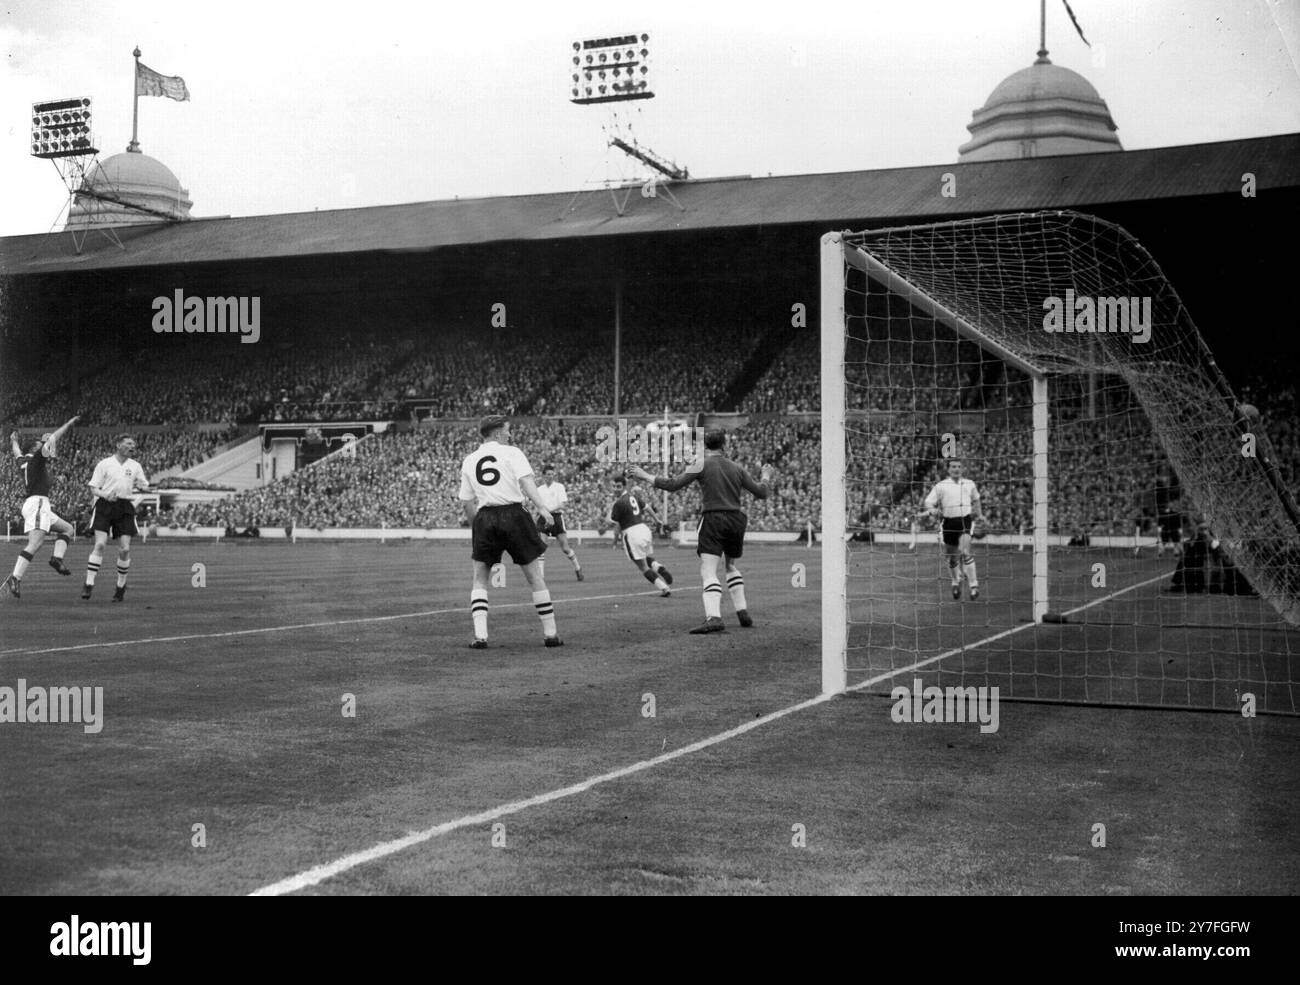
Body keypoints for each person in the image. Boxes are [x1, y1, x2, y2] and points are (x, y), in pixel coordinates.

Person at [628, 428, 772, 633]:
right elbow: (762, 492)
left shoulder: (701, 464)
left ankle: (714, 618)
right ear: (725, 445)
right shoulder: (737, 468)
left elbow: (673, 484)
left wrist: (645, 476)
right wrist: (765, 475)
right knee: (730, 565)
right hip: (736, 519)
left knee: (708, 569)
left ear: (705, 446)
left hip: (713, 518)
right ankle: (742, 612)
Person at [458, 415, 563, 648]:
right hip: (514, 514)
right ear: (496, 433)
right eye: (507, 430)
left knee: (480, 578)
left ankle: (480, 636)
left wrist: (478, 526)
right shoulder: (513, 452)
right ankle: (550, 634)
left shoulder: (469, 460)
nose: (510, 434)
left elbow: (466, 502)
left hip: (485, 516)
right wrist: (543, 508)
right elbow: (527, 483)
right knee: (534, 576)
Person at [2, 416, 79, 599]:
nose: (43, 447)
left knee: (68, 529)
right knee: (35, 543)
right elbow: (52, 438)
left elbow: (16, 451)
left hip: (39, 504)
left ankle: (56, 559)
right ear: (35, 449)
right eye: (39, 445)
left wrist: (14, 440)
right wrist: (68, 424)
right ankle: (15, 577)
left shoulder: (23, 462)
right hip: (37, 503)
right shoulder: (36, 459)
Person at [83, 433, 151, 602]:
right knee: (100, 544)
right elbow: (93, 488)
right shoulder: (105, 464)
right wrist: (106, 495)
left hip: (125, 506)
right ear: (118, 445)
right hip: (105, 505)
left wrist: (144, 487)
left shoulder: (135, 466)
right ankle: (89, 584)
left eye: (133, 444)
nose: (132, 446)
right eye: (128, 443)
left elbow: (143, 484)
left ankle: (120, 587)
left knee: (125, 549)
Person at [922, 458, 981, 600]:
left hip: (965, 521)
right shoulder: (941, 486)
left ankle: (974, 586)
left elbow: (976, 499)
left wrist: (978, 514)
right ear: (948, 469)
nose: (956, 469)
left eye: (959, 466)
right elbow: (928, 502)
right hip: (948, 522)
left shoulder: (969, 484)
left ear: (962, 469)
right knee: (951, 557)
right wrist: (933, 510)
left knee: (966, 551)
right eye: (953, 466)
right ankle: (956, 581)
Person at [607, 475, 672, 596]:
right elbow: (647, 508)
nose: (616, 489)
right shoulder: (634, 497)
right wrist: (657, 520)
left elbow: (615, 525)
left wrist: (614, 542)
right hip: (644, 529)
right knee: (645, 557)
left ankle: (664, 588)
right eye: (614, 486)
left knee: (642, 567)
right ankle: (659, 567)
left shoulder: (619, 503)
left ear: (624, 486)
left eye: (618, 486)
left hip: (632, 533)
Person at [534, 464, 583, 581]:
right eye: (548, 474)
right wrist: (543, 514)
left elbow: (562, 504)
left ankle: (577, 567)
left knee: (565, 548)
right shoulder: (539, 489)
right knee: (541, 548)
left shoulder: (559, 487)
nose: (550, 476)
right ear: (543, 475)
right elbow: (537, 505)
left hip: (556, 517)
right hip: (543, 517)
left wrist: (548, 512)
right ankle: (541, 577)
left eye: (552, 474)